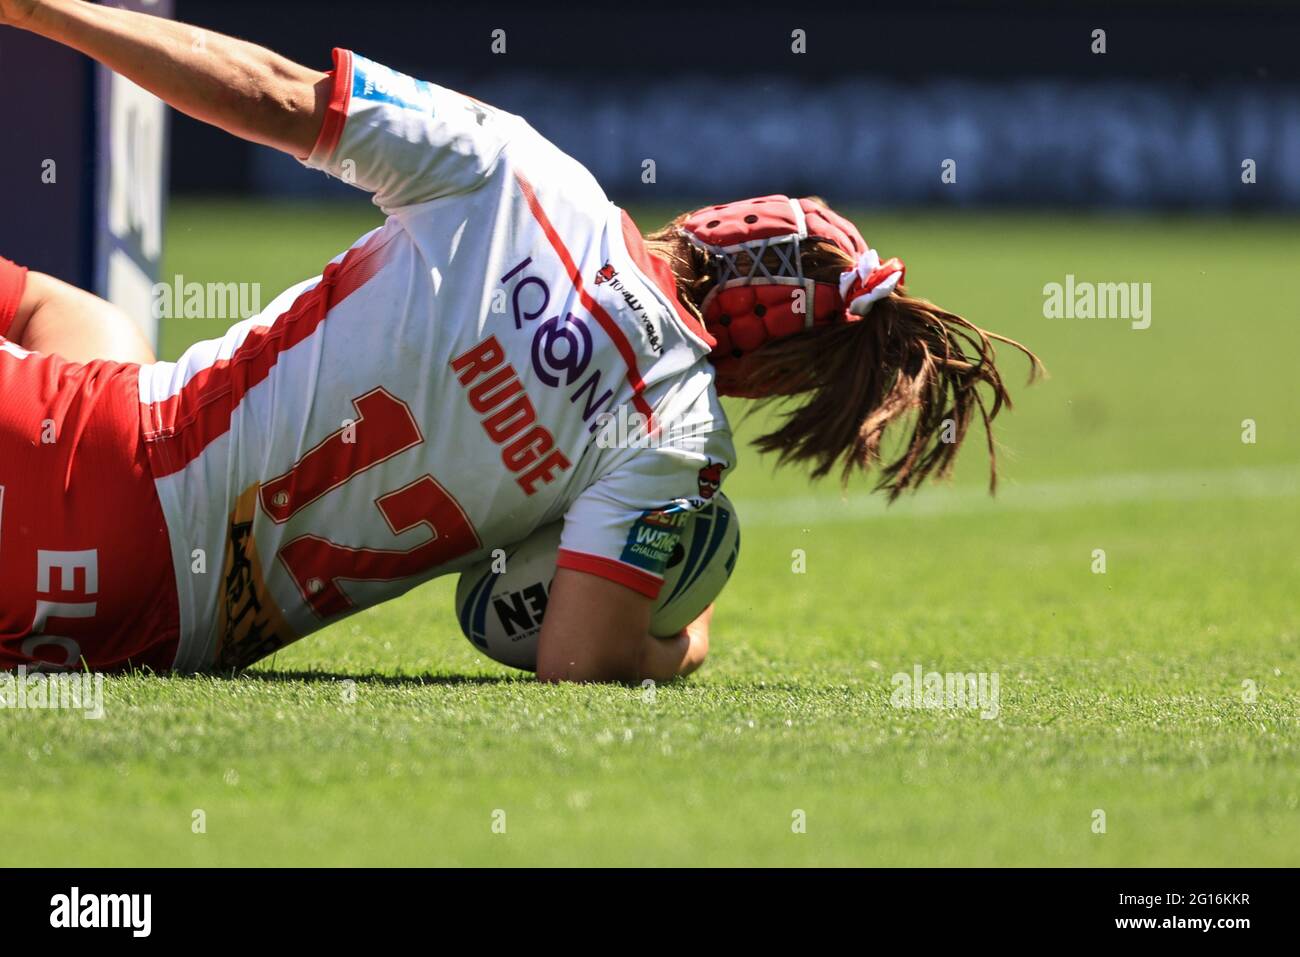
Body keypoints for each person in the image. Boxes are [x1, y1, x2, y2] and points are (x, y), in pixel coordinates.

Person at [0, 1, 1039, 682]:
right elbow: (580, 664)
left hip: (93, 453)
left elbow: (270, 92)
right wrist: (681, 635)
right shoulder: (674, 434)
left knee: (81, 337)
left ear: (717, 219)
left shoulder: (522, 172)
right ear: (769, 376)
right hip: (141, 627)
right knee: (83, 323)